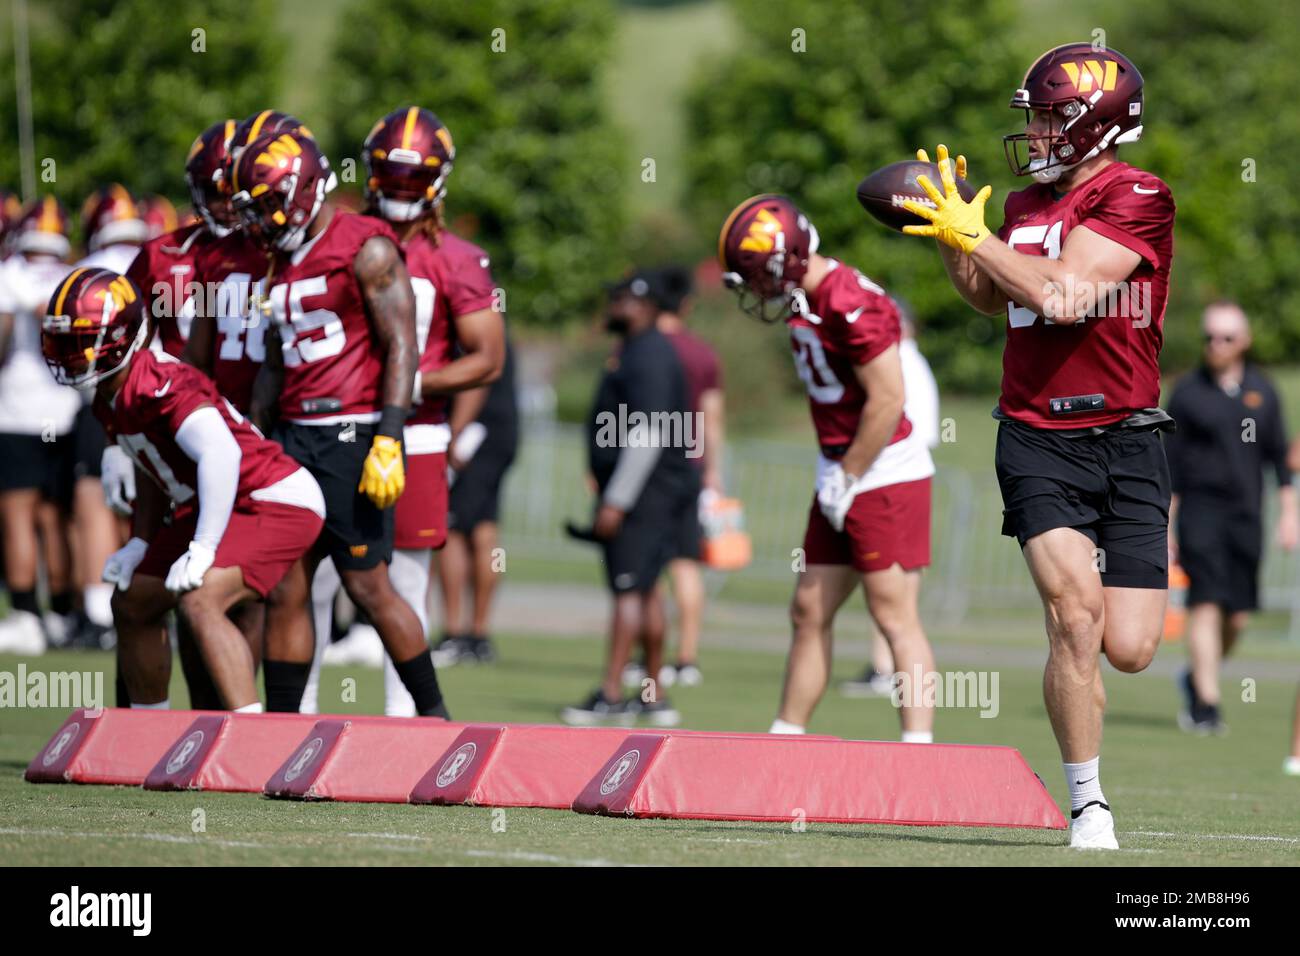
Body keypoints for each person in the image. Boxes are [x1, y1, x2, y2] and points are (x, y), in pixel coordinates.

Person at [903, 44, 1175, 848]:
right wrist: (956, 239)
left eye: (1053, 115)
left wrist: (974, 236)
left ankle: (1092, 776)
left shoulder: (1138, 194)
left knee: (1128, 647)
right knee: (1071, 614)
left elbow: (1068, 295)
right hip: (1035, 434)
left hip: (1126, 435)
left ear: (1096, 121)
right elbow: (989, 299)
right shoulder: (1025, 204)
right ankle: (1088, 801)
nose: (1038, 130)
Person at [230, 127, 449, 717]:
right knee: (285, 588)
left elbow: (402, 344)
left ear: (304, 189)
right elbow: (275, 363)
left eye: (272, 202)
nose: (266, 218)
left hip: (351, 435)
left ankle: (434, 719)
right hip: (292, 439)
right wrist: (254, 437)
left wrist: (388, 436)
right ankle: (281, 729)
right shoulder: (282, 258)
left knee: (369, 585)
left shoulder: (366, 245)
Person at [41, 268, 324, 709]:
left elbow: (222, 456)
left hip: (274, 499)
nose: (71, 356)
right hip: (217, 501)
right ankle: (150, 730)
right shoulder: (109, 394)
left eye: (80, 341)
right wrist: (140, 539)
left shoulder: (161, 384)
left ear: (120, 335)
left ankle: (251, 743)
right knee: (133, 601)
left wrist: (205, 545)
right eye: (61, 343)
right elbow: (151, 466)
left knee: (201, 600)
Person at [306, 105, 505, 714]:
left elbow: (486, 358)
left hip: (413, 433)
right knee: (312, 578)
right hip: (335, 428)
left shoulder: (458, 259)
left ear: (439, 181)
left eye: (412, 179)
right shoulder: (338, 238)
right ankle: (299, 708)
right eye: (389, 176)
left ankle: (404, 717)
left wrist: (410, 384)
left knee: (408, 580)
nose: (398, 191)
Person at [718, 194, 937, 746]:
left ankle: (919, 749)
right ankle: (786, 736)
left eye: (756, 276)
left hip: (882, 471)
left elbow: (889, 401)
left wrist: (849, 475)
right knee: (808, 608)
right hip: (843, 468)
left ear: (785, 260)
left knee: (893, 616)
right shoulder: (805, 294)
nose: (757, 290)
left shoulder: (848, 301)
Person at [561, 275, 697, 726]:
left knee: (628, 592)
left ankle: (611, 693)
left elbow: (650, 430)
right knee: (646, 589)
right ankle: (653, 695)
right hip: (658, 490)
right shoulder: (641, 350)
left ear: (648, 307)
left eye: (625, 299)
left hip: (646, 494)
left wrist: (617, 499)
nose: (615, 306)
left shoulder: (649, 353)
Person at [1164, 301, 1297, 734]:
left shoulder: (1263, 391)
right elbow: (1170, 469)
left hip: (1247, 514)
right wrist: (1164, 528)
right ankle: (1207, 704)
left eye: (1226, 337)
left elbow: (1280, 459)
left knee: (1236, 614)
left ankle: (1195, 676)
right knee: (1205, 602)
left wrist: (1289, 515)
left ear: (1244, 341)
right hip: (1201, 512)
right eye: (1209, 337)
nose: (1216, 345)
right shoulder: (1187, 395)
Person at [840, 300, 940, 697]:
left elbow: (898, 421)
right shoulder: (911, 362)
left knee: (891, 583)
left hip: (896, 477)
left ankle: (888, 669)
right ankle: (888, 667)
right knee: (894, 583)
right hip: (906, 475)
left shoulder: (902, 363)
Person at [0, 198, 78, 654]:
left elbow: (3, 344)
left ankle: (29, 614)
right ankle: (64, 615)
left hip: (18, 411)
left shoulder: (11, 274)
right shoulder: (73, 275)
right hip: (65, 410)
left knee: (18, 517)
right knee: (55, 519)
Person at [651, 265, 719, 687]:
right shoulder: (702, 353)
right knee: (686, 564)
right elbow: (713, 419)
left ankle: (650, 657)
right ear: (687, 304)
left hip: (649, 470)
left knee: (647, 568)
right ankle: (687, 658)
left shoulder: (645, 348)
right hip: (690, 466)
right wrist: (714, 473)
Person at [433, 339, 518, 666]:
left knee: (453, 530)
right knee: (484, 529)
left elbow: (478, 371)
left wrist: (455, 431)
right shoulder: (495, 310)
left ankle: (456, 634)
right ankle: (477, 635)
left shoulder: (469, 303)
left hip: (474, 433)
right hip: (497, 433)